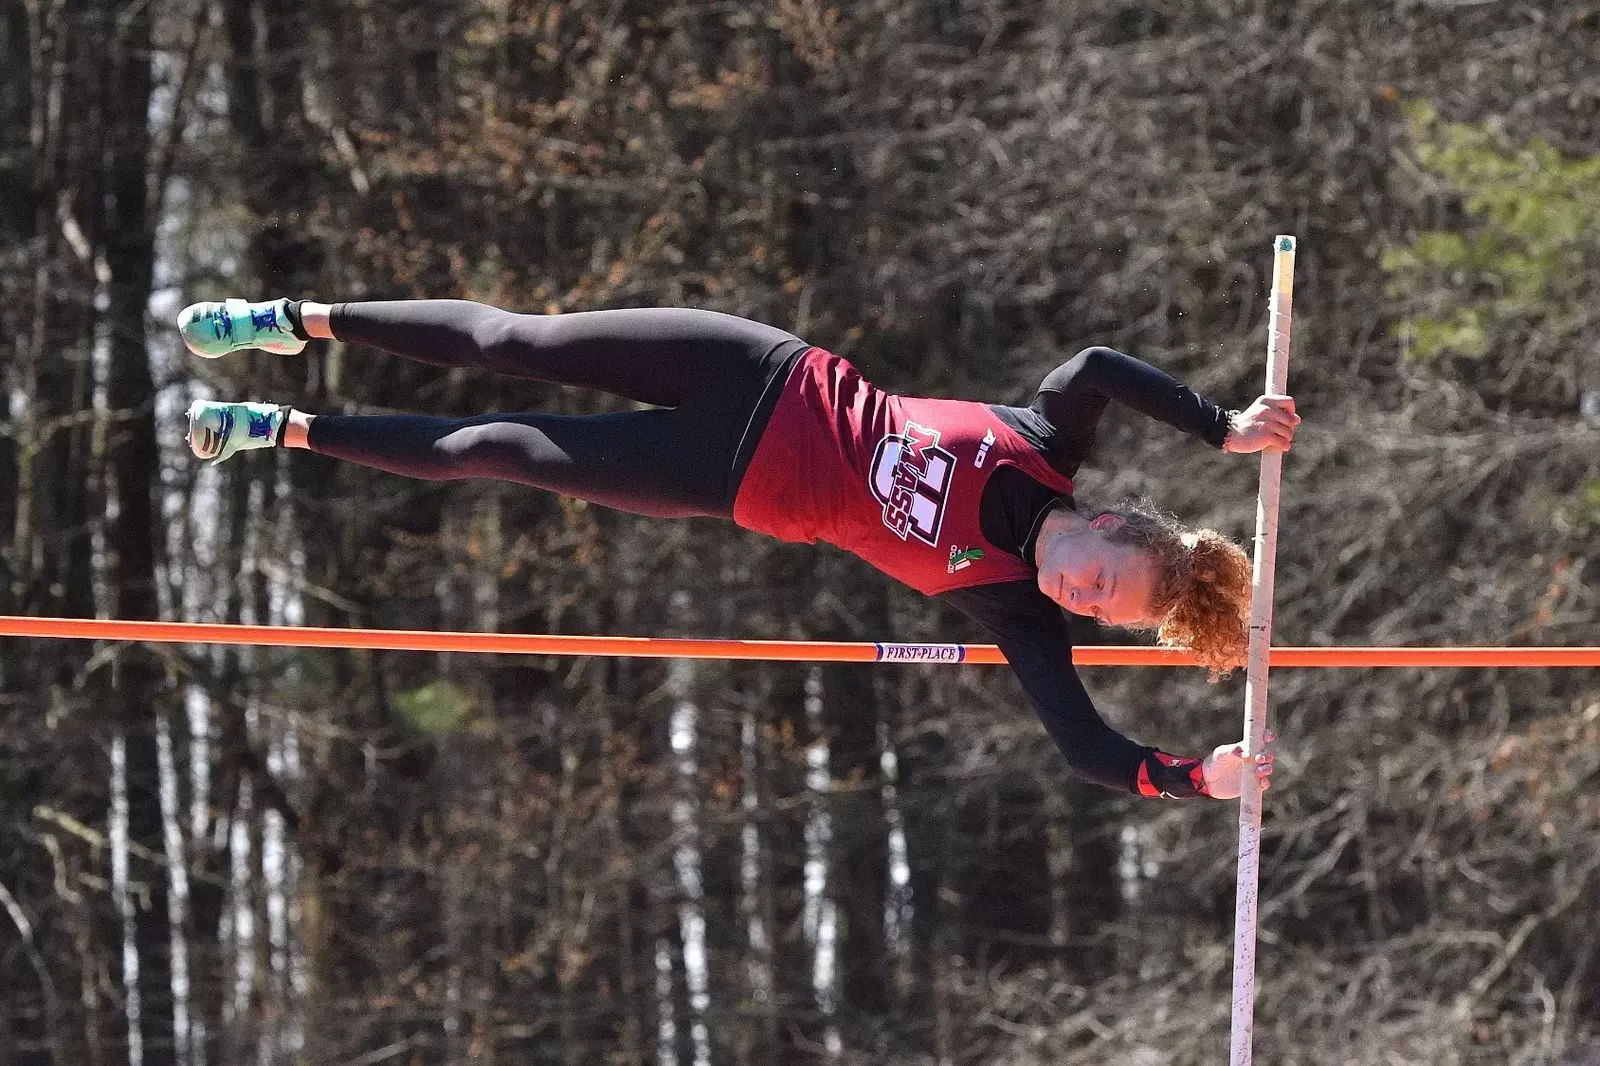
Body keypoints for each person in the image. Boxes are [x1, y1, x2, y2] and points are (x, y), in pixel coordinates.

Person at [178, 297, 1295, 800]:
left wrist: (1192, 775)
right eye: (1097, 575)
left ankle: (278, 429)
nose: (1075, 591)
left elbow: (1085, 747)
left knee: (493, 449)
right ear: (1110, 521)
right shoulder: (1045, 439)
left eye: (1095, 607)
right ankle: (295, 320)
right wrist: (1219, 425)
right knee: (518, 342)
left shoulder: (1012, 609)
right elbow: (1097, 358)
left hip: (726, 482)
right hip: (759, 371)